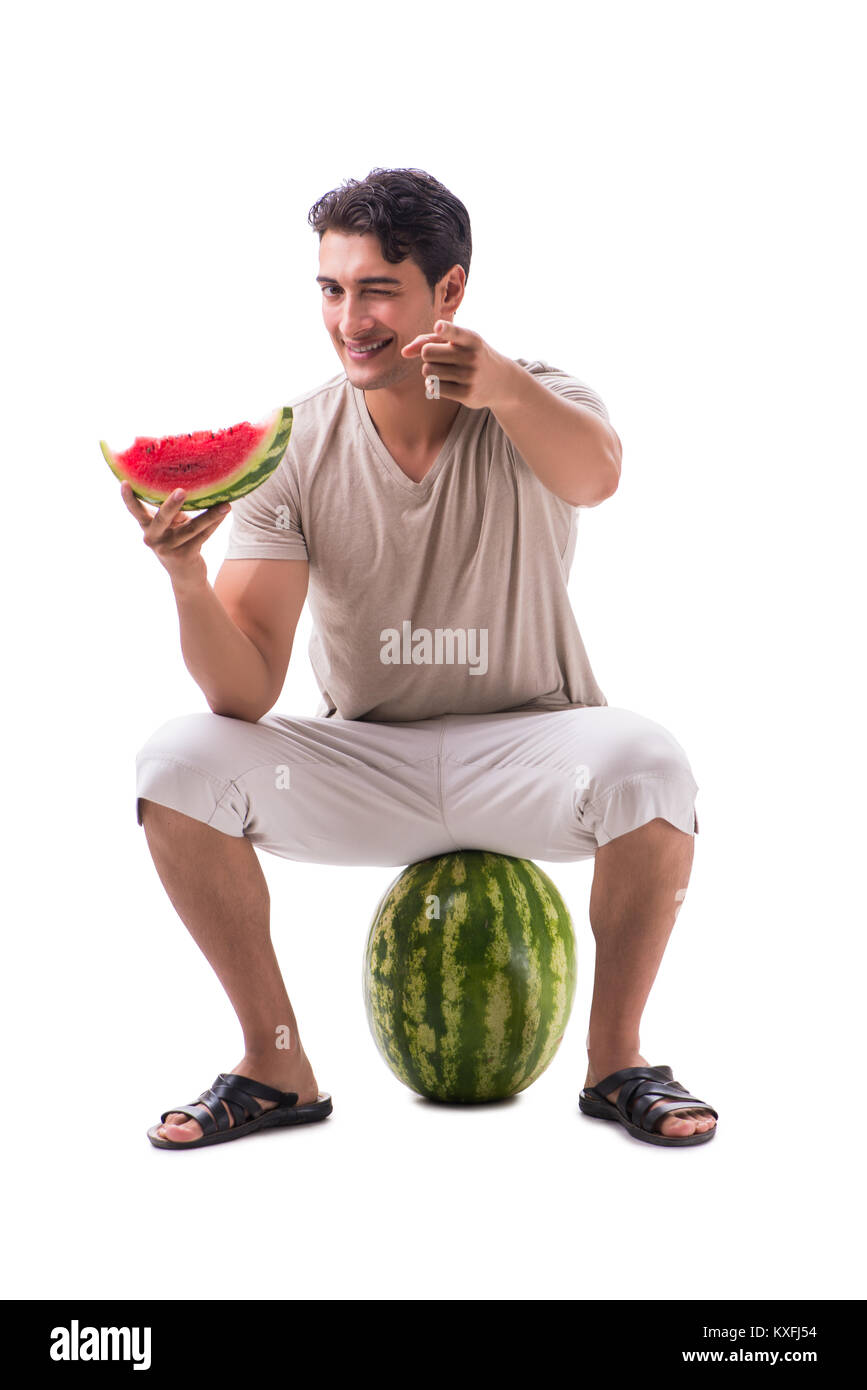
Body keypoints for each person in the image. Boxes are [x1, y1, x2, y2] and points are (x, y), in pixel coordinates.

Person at [127, 167, 718, 1151]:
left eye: (376, 290)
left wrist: (507, 389)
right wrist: (186, 576)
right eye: (331, 288)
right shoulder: (293, 446)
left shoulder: (541, 398)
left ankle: (617, 1060)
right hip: (369, 763)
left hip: (533, 751)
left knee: (650, 762)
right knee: (175, 761)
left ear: (448, 292)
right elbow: (245, 686)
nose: (348, 318)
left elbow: (597, 474)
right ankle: (274, 1060)